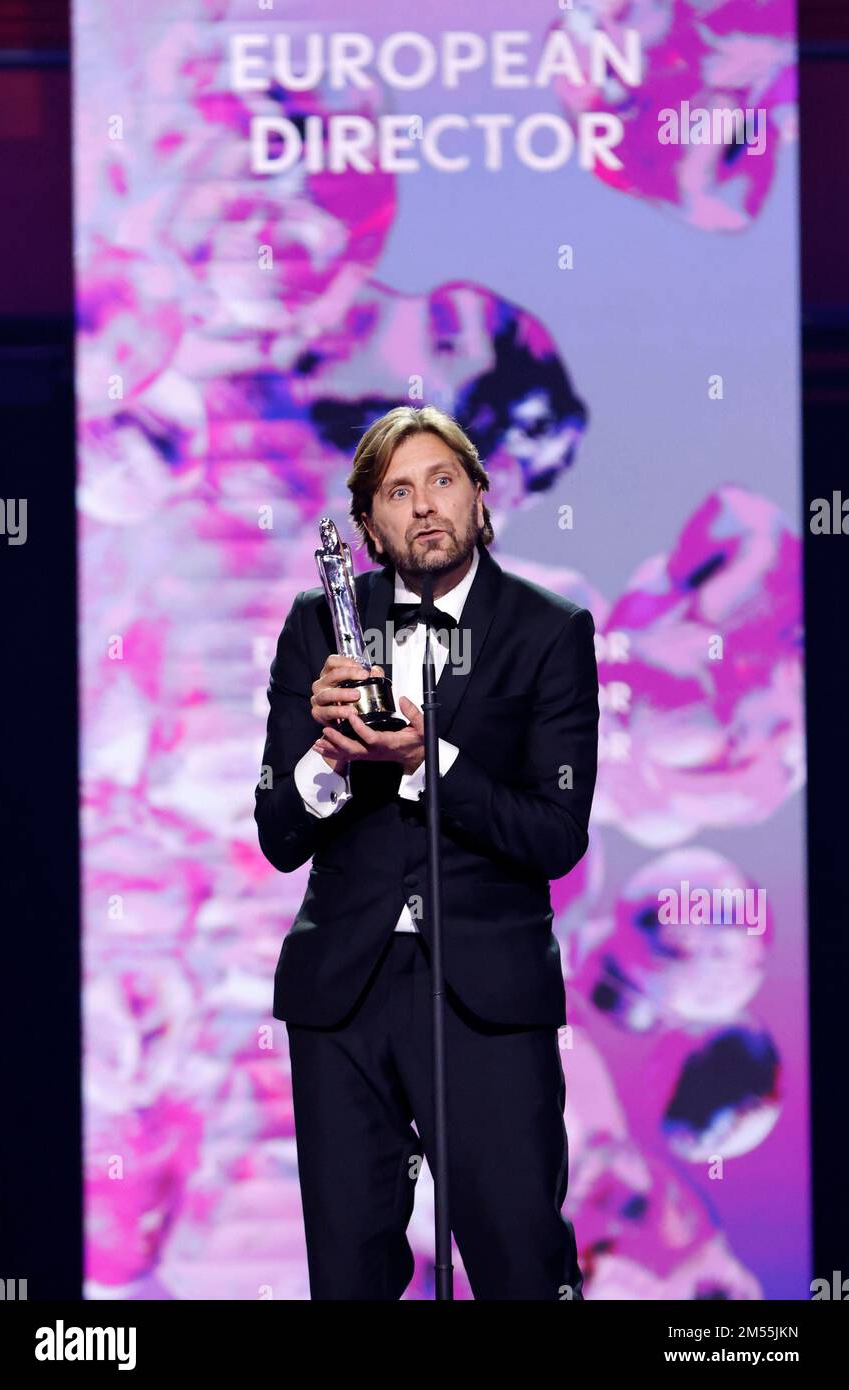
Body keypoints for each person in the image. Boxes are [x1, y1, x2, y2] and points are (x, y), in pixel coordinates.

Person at [254, 404, 600, 1299]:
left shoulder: (550, 631)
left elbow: (556, 836)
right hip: (343, 998)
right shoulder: (316, 625)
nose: (424, 507)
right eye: (396, 492)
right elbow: (278, 835)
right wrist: (328, 755)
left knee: (521, 1263)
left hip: (485, 996)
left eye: (442, 480)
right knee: (348, 1274)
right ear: (368, 526)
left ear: (480, 497)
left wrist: (425, 759)